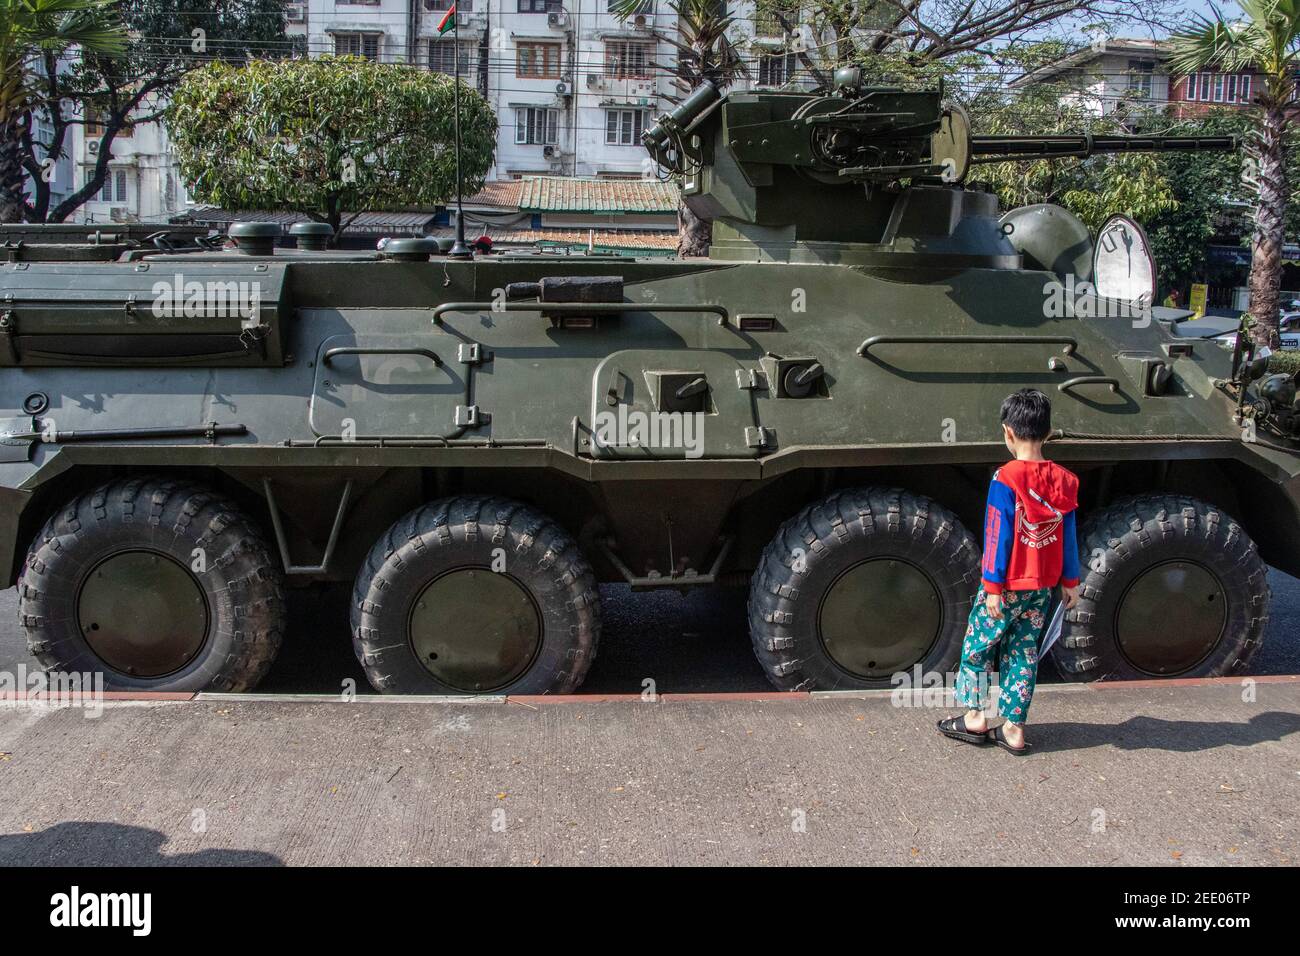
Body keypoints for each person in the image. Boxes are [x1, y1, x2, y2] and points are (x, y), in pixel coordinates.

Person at [938, 389, 1081, 754]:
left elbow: (997, 533)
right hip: (1043, 587)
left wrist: (993, 586)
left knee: (978, 647)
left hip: (1007, 586)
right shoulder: (1065, 480)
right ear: (1048, 433)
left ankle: (974, 718)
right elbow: (1068, 535)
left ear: (1008, 433)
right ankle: (1014, 728)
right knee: (1023, 652)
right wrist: (1071, 581)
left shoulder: (1006, 478)